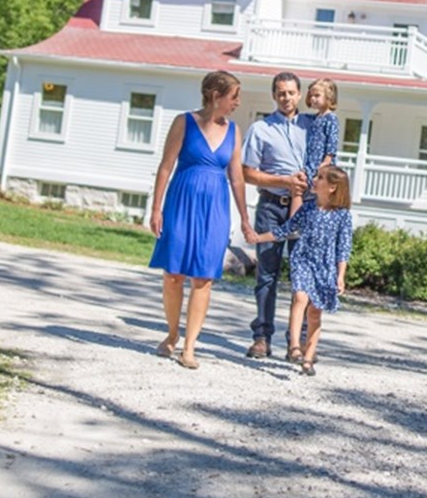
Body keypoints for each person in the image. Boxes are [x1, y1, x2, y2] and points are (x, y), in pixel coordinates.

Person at [148, 70, 257, 370]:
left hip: (215, 209)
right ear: (215, 96)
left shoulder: (234, 131)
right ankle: (172, 334)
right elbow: (165, 167)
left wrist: (245, 219)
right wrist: (156, 209)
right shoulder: (184, 122)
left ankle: (190, 346)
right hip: (181, 203)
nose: (237, 102)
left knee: (203, 277)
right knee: (173, 274)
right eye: (234, 96)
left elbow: (236, 178)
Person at [257, 163, 354, 377]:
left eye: (320, 178)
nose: (315, 180)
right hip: (303, 260)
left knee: (315, 312)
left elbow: (343, 248)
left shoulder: (342, 216)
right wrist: (259, 237)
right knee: (299, 298)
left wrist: (340, 275)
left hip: (325, 266)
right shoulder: (308, 208)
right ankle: (294, 346)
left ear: (332, 187)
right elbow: (286, 229)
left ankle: (308, 358)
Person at [240, 72, 309, 359]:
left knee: (303, 275)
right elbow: (247, 173)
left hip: (305, 208)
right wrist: (283, 182)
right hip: (271, 206)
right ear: (274, 95)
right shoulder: (261, 129)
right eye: (281, 92)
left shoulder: (312, 126)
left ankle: (299, 341)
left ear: (299, 94)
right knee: (267, 274)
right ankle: (262, 337)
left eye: (291, 92)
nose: (286, 97)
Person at [288, 77, 341, 220]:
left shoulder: (331, 119)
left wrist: (327, 161)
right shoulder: (315, 118)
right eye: (311, 96)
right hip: (310, 162)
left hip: (321, 163)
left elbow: (332, 141)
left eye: (317, 96)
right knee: (299, 188)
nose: (313, 99)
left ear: (328, 97)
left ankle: (298, 222)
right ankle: (296, 221)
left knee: (311, 191)